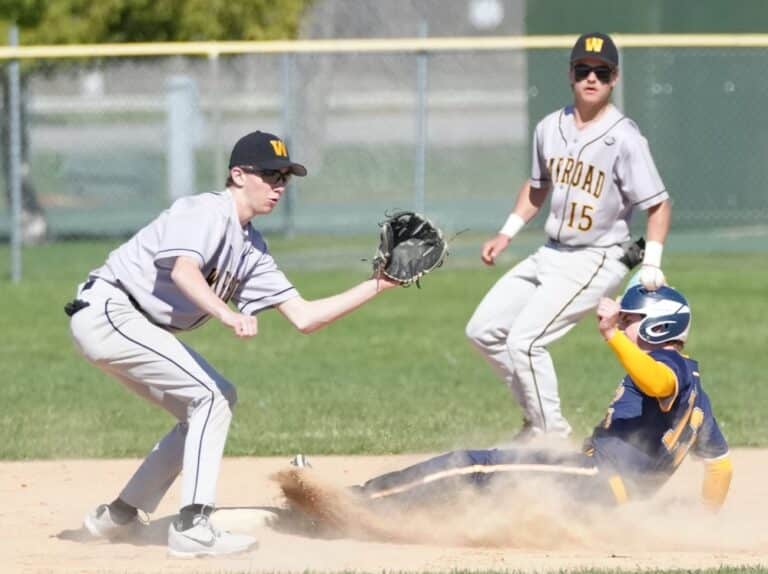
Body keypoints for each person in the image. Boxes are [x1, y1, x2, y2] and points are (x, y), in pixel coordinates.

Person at [66, 130, 399, 558]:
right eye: (270, 174)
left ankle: (119, 516)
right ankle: (193, 526)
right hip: (110, 310)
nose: (279, 185)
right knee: (212, 398)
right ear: (238, 175)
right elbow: (185, 271)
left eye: (285, 177)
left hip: (128, 325)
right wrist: (228, 315)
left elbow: (305, 317)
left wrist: (381, 283)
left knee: (204, 408)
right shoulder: (206, 211)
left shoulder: (252, 248)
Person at [353, 285, 732, 511]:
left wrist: (611, 336)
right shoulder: (701, 400)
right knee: (498, 492)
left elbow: (659, 384)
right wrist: (705, 523)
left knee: (472, 467)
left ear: (657, 326)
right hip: (607, 495)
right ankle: (393, 516)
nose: (621, 323)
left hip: (594, 478)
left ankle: (359, 503)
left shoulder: (666, 365)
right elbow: (720, 467)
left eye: (629, 320)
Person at [465, 32, 672, 442]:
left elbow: (659, 205)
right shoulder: (548, 128)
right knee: (483, 331)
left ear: (614, 79)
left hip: (597, 256)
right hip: (550, 252)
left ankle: (553, 439)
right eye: (583, 70)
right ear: (570, 75)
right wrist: (507, 232)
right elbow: (538, 187)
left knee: (525, 342)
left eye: (601, 71)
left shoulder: (625, 138)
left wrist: (651, 263)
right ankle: (536, 422)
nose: (591, 78)